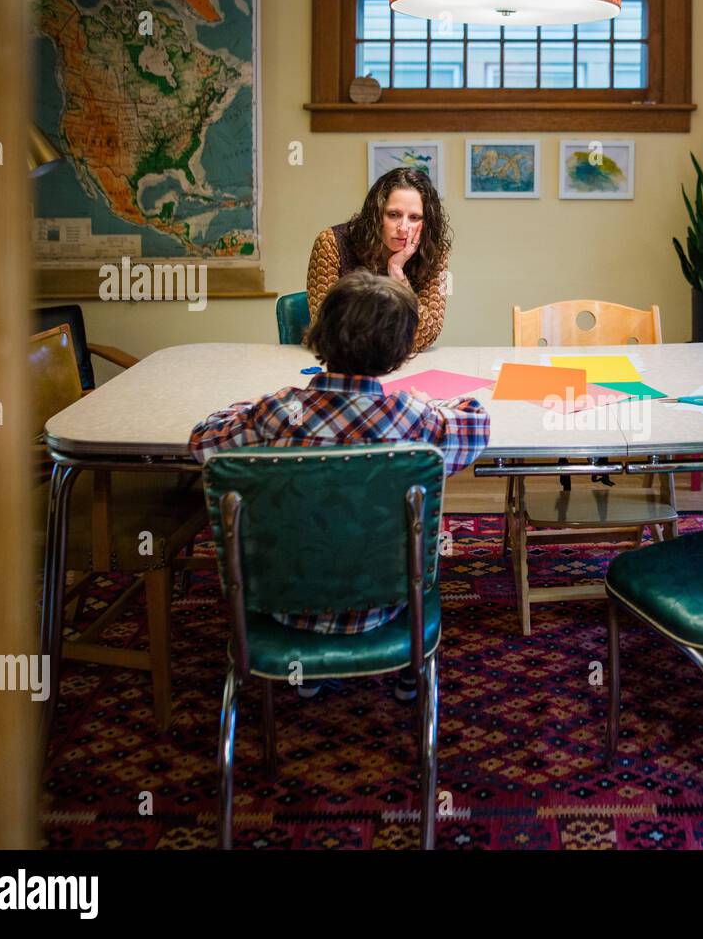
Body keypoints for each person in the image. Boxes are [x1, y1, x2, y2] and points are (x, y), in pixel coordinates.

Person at [190, 270, 488, 699]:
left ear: (319, 334)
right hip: (388, 606)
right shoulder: (412, 418)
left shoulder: (276, 412)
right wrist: (430, 403)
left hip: (282, 605)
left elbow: (203, 440)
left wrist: (252, 407)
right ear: (399, 354)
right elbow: (476, 425)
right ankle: (408, 673)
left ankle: (304, 670)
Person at [306, 167, 450, 351]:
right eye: (393, 215)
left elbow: (428, 333)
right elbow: (327, 330)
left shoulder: (434, 252)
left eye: (414, 218)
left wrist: (397, 274)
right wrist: (394, 335)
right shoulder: (330, 242)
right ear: (377, 214)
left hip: (403, 366)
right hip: (338, 363)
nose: (403, 228)